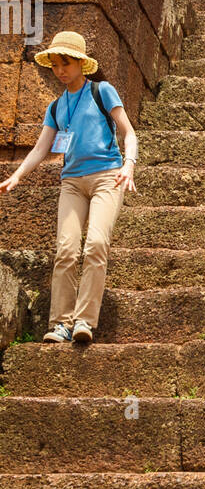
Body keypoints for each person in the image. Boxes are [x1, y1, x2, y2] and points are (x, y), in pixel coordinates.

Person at [0, 30, 138, 344]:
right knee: (66, 250)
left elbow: (128, 133)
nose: (61, 70)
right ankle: (61, 323)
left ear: (80, 63)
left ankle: (84, 321)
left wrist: (129, 164)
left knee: (96, 246)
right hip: (72, 183)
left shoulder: (102, 91)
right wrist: (18, 175)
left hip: (108, 176)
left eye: (66, 63)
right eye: (56, 64)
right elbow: (40, 148)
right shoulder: (56, 107)